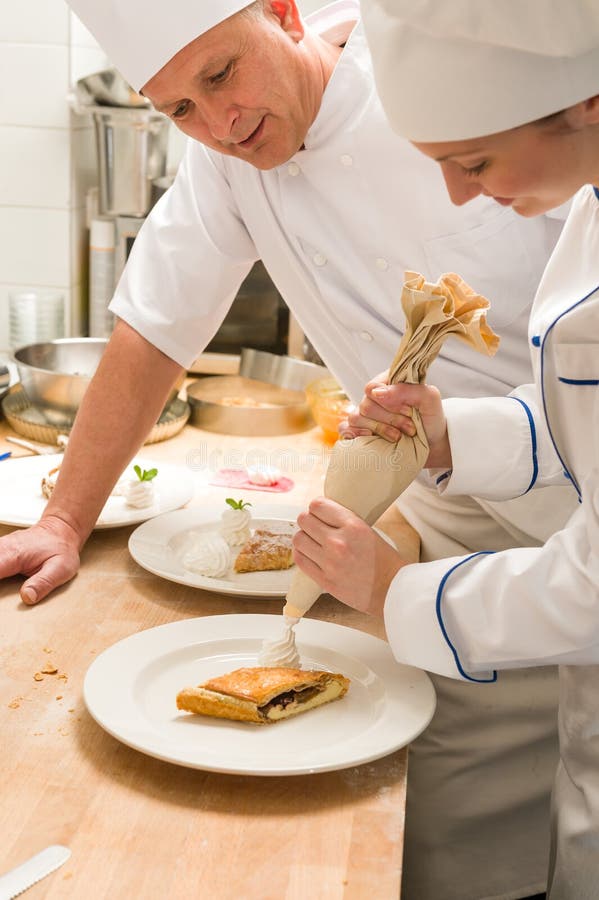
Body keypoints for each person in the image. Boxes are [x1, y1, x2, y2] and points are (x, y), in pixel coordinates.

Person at [0, 1, 576, 897]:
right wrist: (64, 522)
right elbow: (153, 328)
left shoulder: (443, 94)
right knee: (449, 830)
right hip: (435, 523)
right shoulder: (225, 162)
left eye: (221, 74)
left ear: (282, 12)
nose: (219, 123)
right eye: (179, 109)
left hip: (577, 521)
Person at [294, 0, 599, 896]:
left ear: (587, 102)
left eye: (473, 162)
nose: (459, 196)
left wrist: (395, 590)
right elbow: (580, 421)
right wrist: (448, 433)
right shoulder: (588, 209)